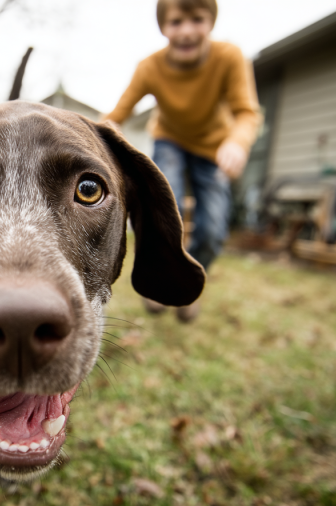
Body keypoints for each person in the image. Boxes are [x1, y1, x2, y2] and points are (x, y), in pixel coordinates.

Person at [105, 0, 260, 322]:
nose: (187, 31)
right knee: (164, 212)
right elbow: (116, 116)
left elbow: (246, 112)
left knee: (213, 230)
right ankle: (156, 283)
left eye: (197, 20)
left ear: (211, 22)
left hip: (215, 147)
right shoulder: (150, 67)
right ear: (163, 27)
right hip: (170, 141)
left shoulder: (228, 57)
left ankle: (189, 284)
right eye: (176, 22)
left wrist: (237, 143)